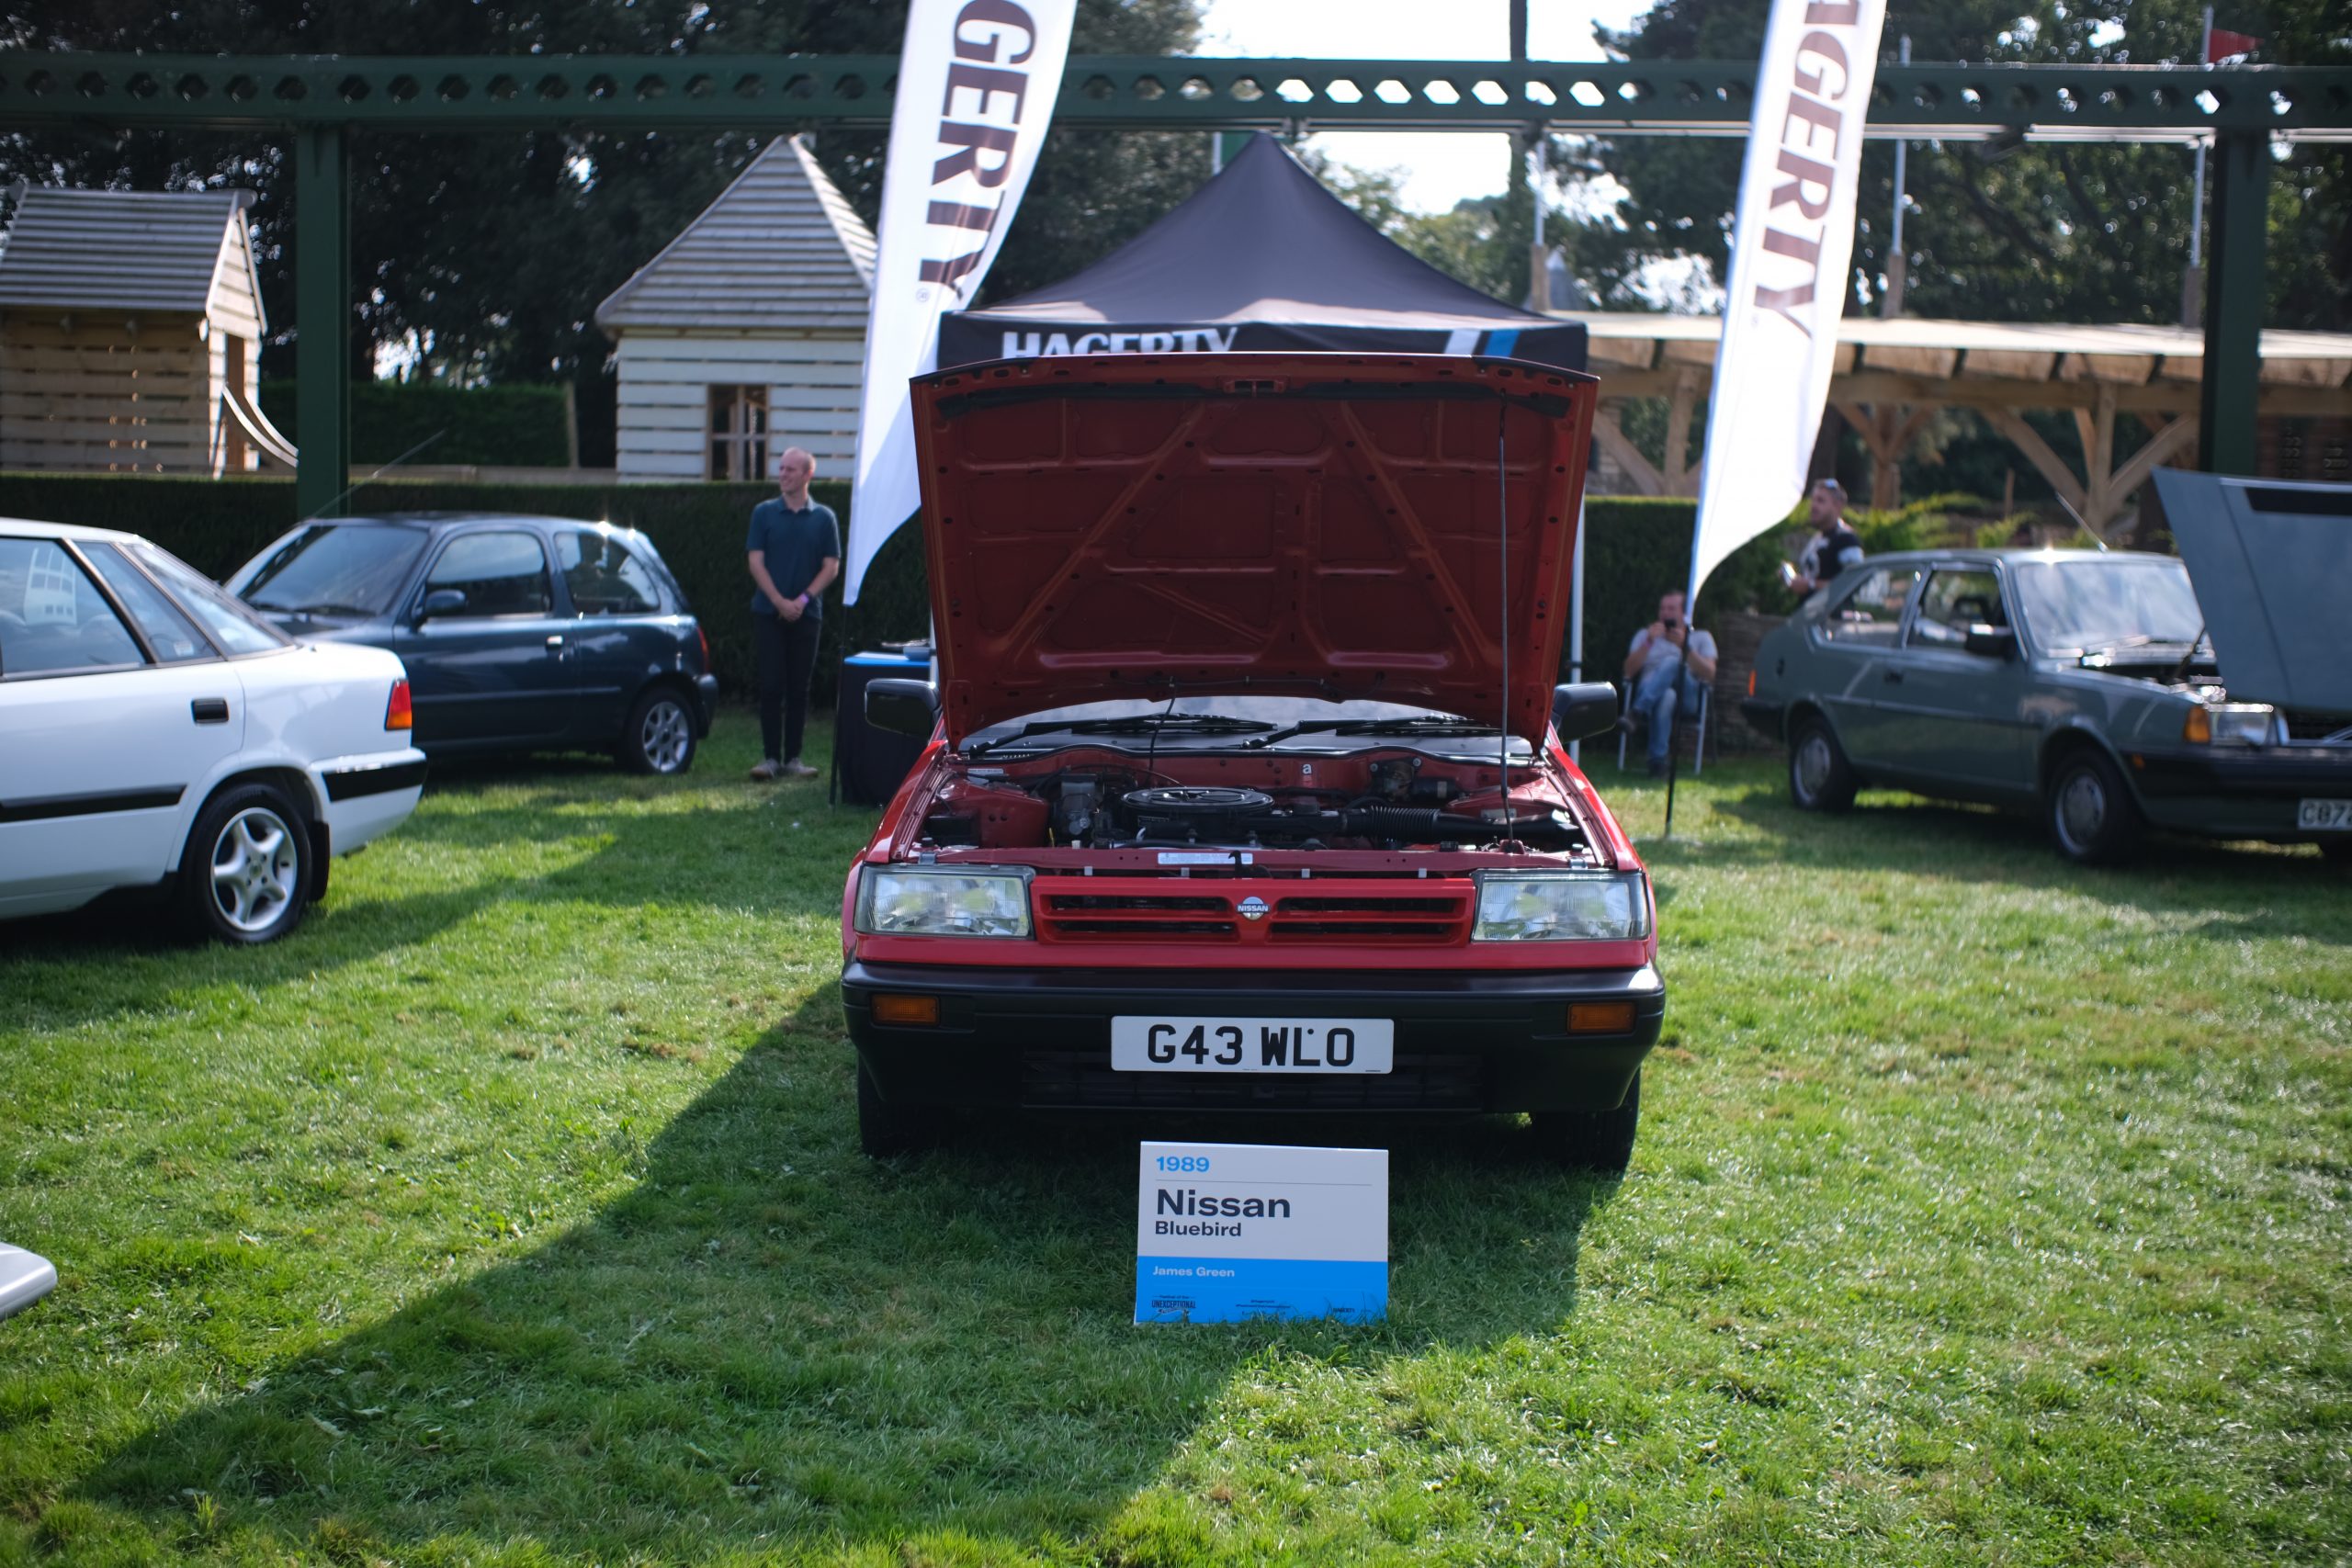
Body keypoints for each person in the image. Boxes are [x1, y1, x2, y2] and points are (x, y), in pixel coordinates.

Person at [745, 446, 840, 782]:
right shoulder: (764, 513)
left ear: (807, 475)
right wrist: (779, 601)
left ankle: (794, 759)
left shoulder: (823, 518)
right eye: (781, 468)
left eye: (790, 470)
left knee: (799, 687)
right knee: (771, 685)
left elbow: (831, 566)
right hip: (767, 614)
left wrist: (801, 600)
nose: (782, 474)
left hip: (807, 615)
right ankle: (770, 758)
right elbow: (755, 561)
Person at [1622, 590, 1717, 778]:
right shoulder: (1645, 635)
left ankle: (1637, 712)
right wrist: (1649, 642)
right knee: (1667, 696)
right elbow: (1628, 671)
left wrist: (1685, 647)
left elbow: (1710, 674)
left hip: (1687, 698)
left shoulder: (1701, 637)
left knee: (1673, 662)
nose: (1665, 613)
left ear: (1684, 613)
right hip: (1651, 692)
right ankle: (1657, 763)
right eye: (1662, 608)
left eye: (1671, 608)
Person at [1786, 478, 1864, 594]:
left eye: (1821, 501)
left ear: (1838, 506)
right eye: (1813, 500)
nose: (1813, 506)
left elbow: (1853, 583)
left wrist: (1810, 585)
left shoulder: (1847, 540)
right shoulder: (1817, 538)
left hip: (1832, 612)